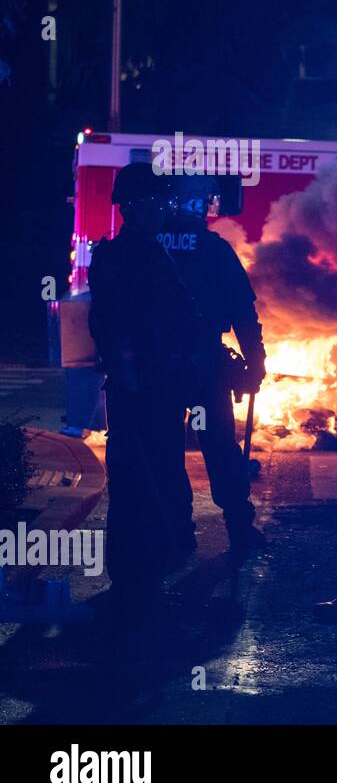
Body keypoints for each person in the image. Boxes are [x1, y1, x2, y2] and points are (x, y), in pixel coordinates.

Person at [88, 163, 201, 618]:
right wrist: (134, 384)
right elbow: (116, 330)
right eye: (155, 204)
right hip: (142, 391)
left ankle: (148, 571)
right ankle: (135, 579)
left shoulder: (150, 253)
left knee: (158, 473)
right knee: (138, 480)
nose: (163, 212)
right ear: (132, 209)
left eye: (164, 203)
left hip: (157, 387)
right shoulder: (124, 258)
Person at [159, 173, 266, 555]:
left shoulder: (149, 247)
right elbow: (243, 313)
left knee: (164, 454)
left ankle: (175, 536)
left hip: (156, 371)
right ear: (201, 204)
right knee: (221, 449)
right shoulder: (214, 249)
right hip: (204, 368)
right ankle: (239, 529)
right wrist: (255, 362)